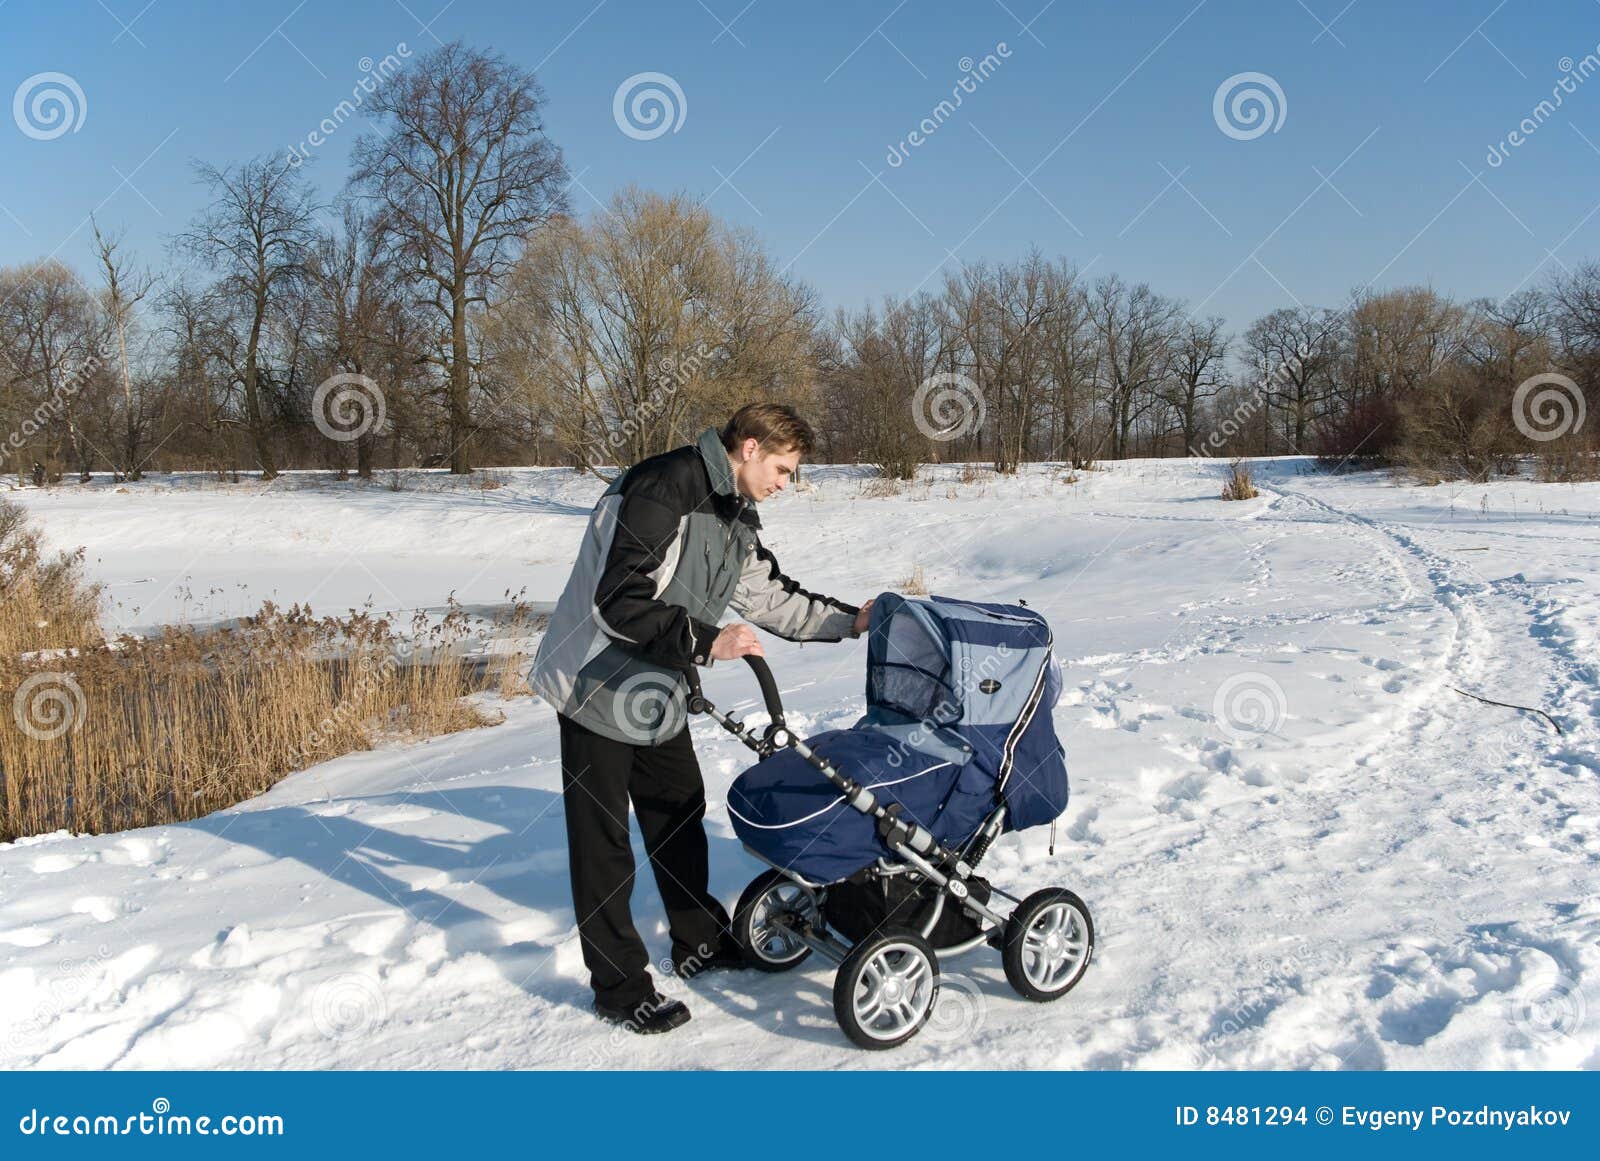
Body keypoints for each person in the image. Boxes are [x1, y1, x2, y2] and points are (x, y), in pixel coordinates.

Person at [530, 403, 873, 1034]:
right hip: (595, 682)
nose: (785, 483)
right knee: (602, 845)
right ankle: (618, 986)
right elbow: (620, 598)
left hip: (656, 687)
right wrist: (706, 641)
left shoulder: (735, 511)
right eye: (782, 469)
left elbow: (771, 595)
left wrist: (853, 621)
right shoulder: (665, 486)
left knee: (680, 811)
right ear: (747, 448)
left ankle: (699, 943)